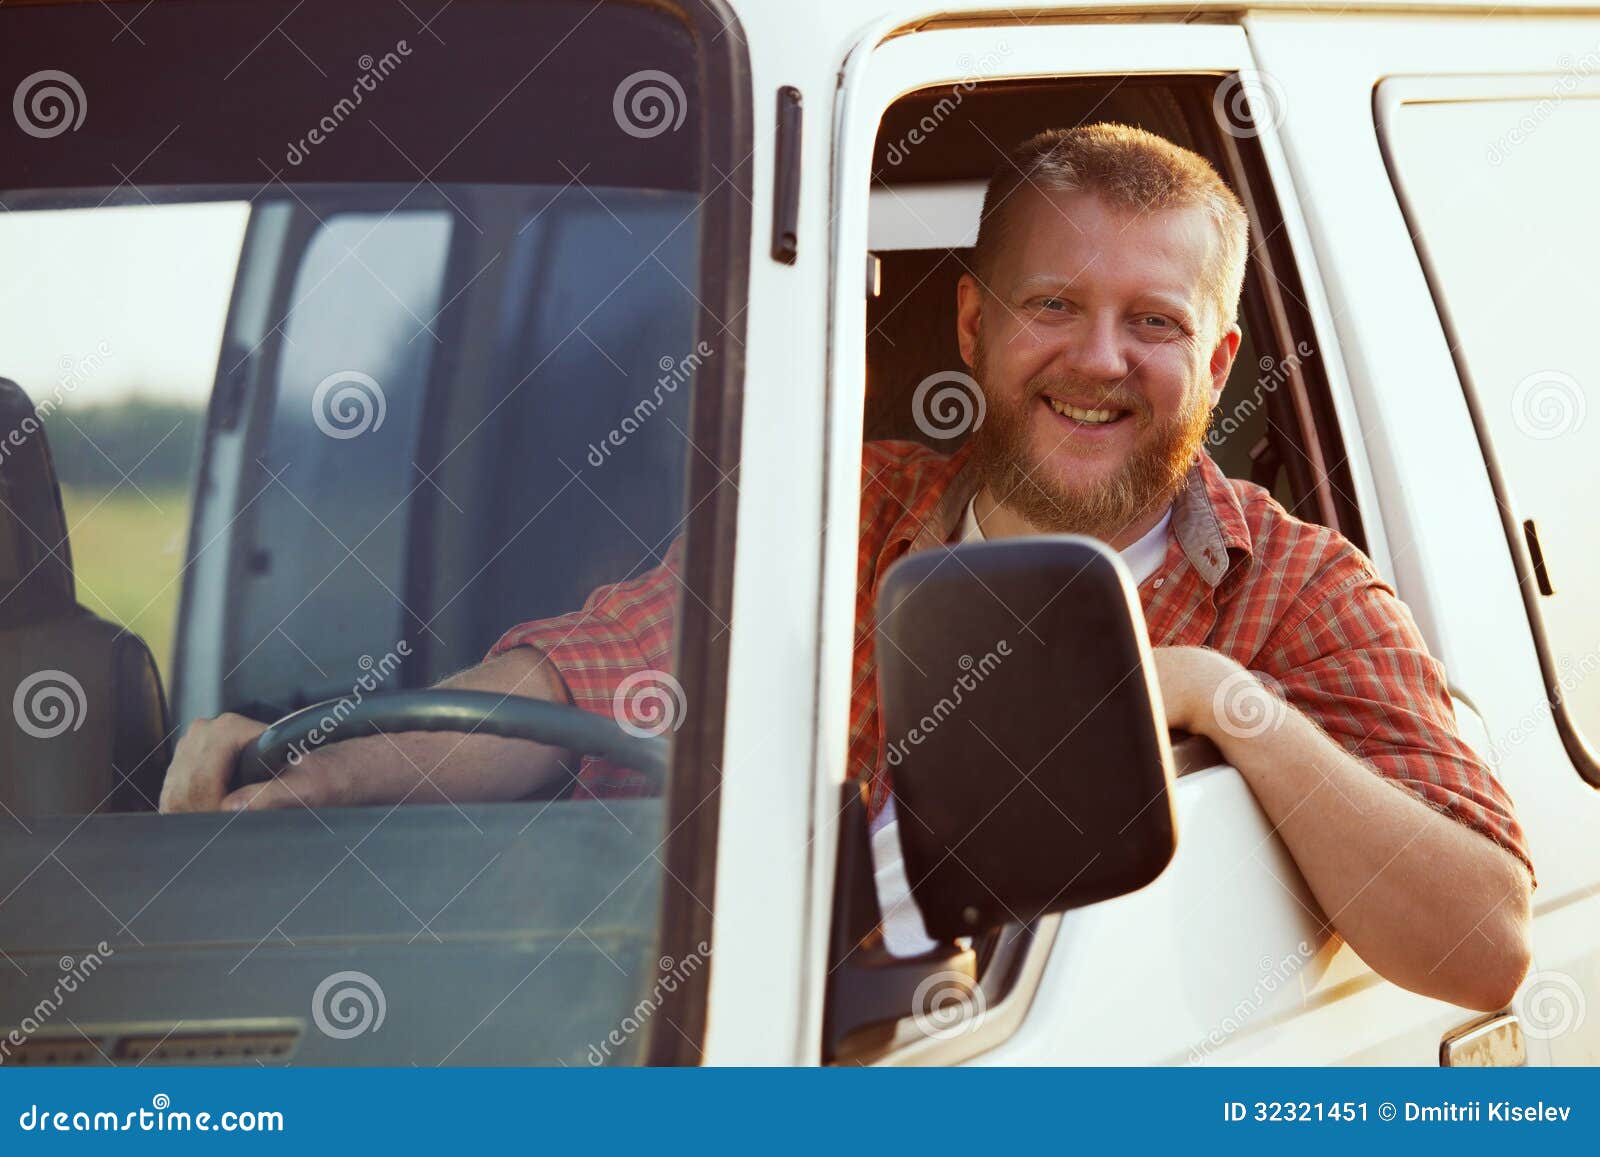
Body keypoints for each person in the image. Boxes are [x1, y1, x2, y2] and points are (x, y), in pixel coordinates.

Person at [161, 123, 1532, 1012]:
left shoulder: (1291, 589)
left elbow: (1486, 941)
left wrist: (1209, 695)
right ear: (976, 325)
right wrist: (311, 777)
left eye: (1153, 321)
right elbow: (586, 673)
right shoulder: (839, 507)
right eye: (1055, 305)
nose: (1100, 358)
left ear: (1218, 361)